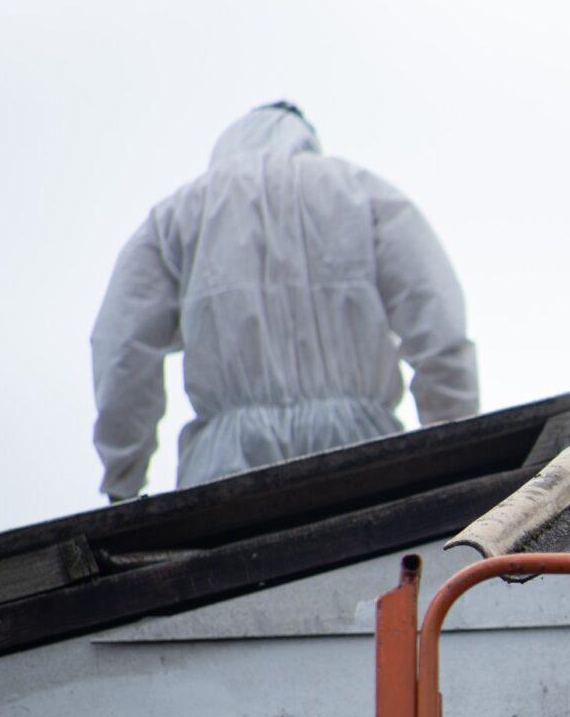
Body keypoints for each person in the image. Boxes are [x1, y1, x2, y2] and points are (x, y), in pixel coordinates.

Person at [90, 102, 477, 501]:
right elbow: (437, 321)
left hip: (226, 469)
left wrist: (123, 483)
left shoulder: (176, 218)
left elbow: (123, 351)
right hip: (363, 452)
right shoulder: (361, 192)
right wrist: (454, 448)